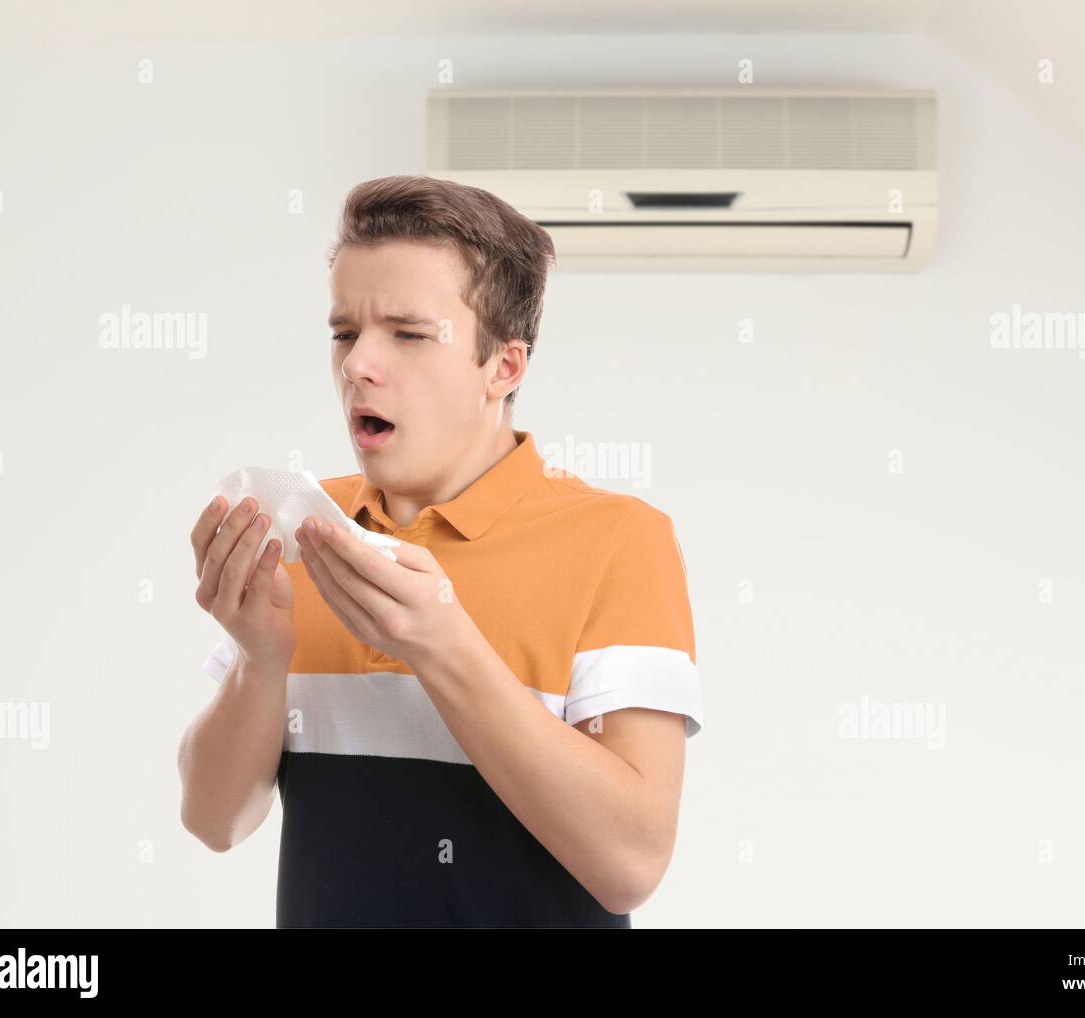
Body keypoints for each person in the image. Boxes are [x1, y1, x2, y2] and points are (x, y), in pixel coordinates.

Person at [177, 175, 704, 927]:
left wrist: (441, 645)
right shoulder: (303, 532)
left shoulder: (621, 540)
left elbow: (630, 865)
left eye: (409, 333)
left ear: (504, 368)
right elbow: (213, 821)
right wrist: (261, 659)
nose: (359, 364)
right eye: (344, 332)